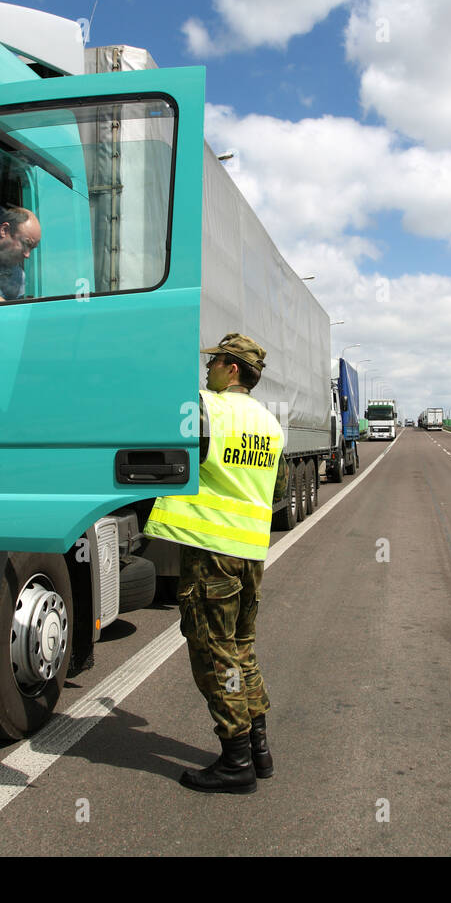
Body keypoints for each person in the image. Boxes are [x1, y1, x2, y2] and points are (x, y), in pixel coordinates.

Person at [143, 333, 287, 794]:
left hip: (212, 555)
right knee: (242, 648)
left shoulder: (210, 408)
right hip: (250, 555)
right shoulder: (269, 424)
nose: (206, 370)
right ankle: (259, 750)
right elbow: (279, 490)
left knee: (215, 653)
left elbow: (155, 403)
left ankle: (236, 759)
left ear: (231, 369)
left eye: (212, 362)